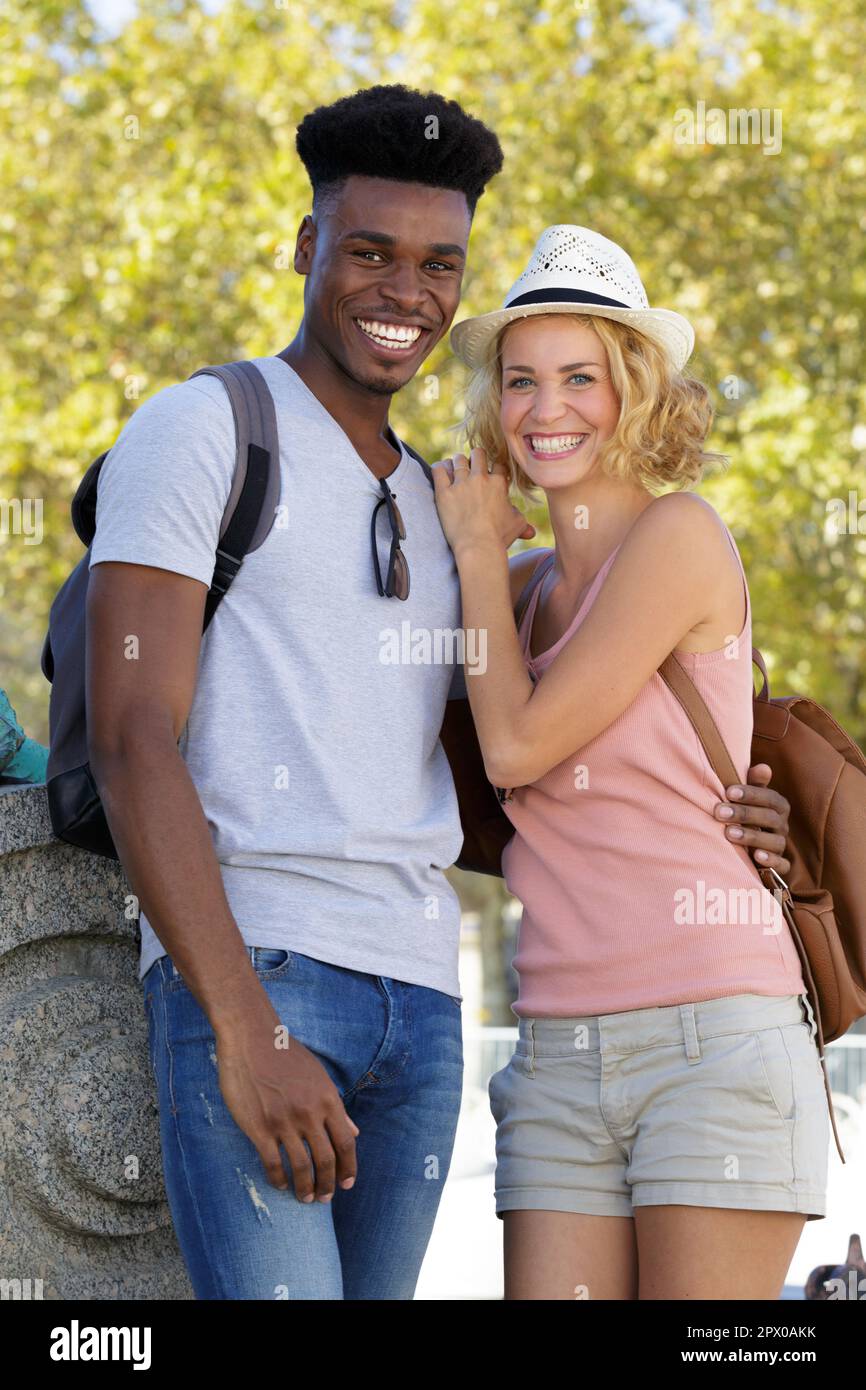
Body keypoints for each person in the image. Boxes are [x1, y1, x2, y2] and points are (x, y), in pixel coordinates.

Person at [86, 84, 793, 1302]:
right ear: (306, 248)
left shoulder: (479, 520)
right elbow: (133, 733)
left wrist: (746, 814)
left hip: (448, 1010)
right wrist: (247, 1029)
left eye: (437, 263)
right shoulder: (212, 429)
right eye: (367, 252)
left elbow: (605, 722)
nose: (402, 290)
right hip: (288, 978)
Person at [433, 224, 829, 1301]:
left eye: (579, 377)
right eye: (519, 380)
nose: (543, 408)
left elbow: (512, 744)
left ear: (635, 392)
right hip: (557, 1047)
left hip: (712, 1040)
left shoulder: (679, 537)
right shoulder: (514, 593)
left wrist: (472, 549)